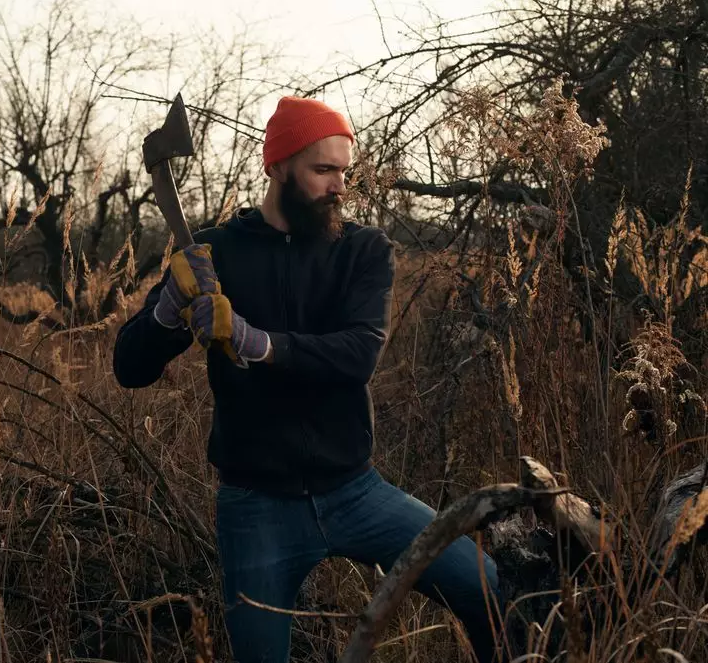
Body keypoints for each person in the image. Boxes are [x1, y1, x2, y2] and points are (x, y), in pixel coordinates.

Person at [112, 96, 505, 663]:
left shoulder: (363, 251)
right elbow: (129, 368)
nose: (339, 185)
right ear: (276, 166)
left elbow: (358, 355)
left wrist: (258, 342)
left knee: (493, 593)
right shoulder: (213, 253)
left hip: (357, 491)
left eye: (344, 171)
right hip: (255, 508)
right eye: (323, 170)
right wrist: (169, 308)